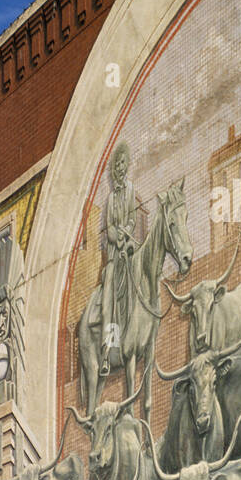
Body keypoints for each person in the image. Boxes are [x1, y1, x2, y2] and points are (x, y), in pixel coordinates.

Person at [99, 143, 139, 377]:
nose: (120, 168)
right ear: (113, 171)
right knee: (109, 302)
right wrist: (116, 235)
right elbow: (108, 227)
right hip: (114, 255)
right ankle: (106, 352)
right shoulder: (111, 199)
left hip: (129, 249)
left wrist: (128, 229)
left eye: (123, 163)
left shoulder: (131, 190)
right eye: (117, 165)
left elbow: (133, 217)